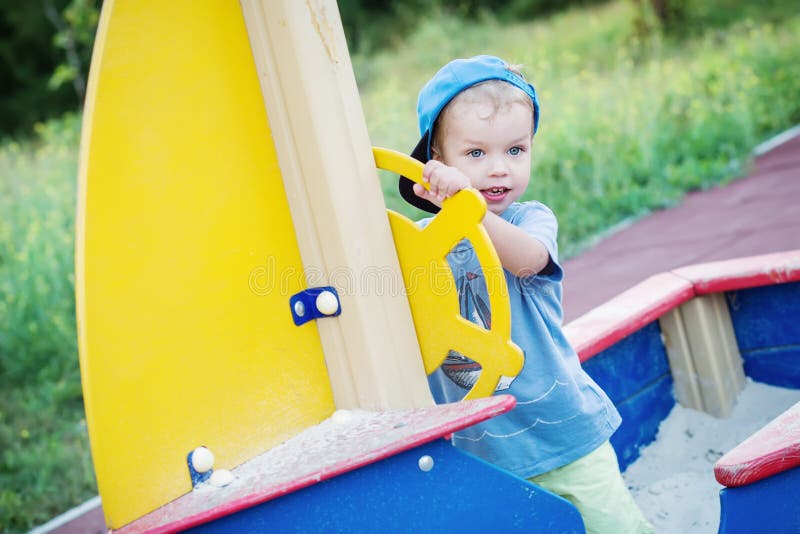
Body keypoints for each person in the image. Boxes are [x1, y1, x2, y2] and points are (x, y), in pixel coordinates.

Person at [398, 55, 653, 534]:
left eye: (515, 150)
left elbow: (528, 260)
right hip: (483, 453)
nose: (499, 169)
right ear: (439, 160)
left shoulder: (529, 220)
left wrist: (467, 210)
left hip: (566, 435)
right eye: (476, 154)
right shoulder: (421, 244)